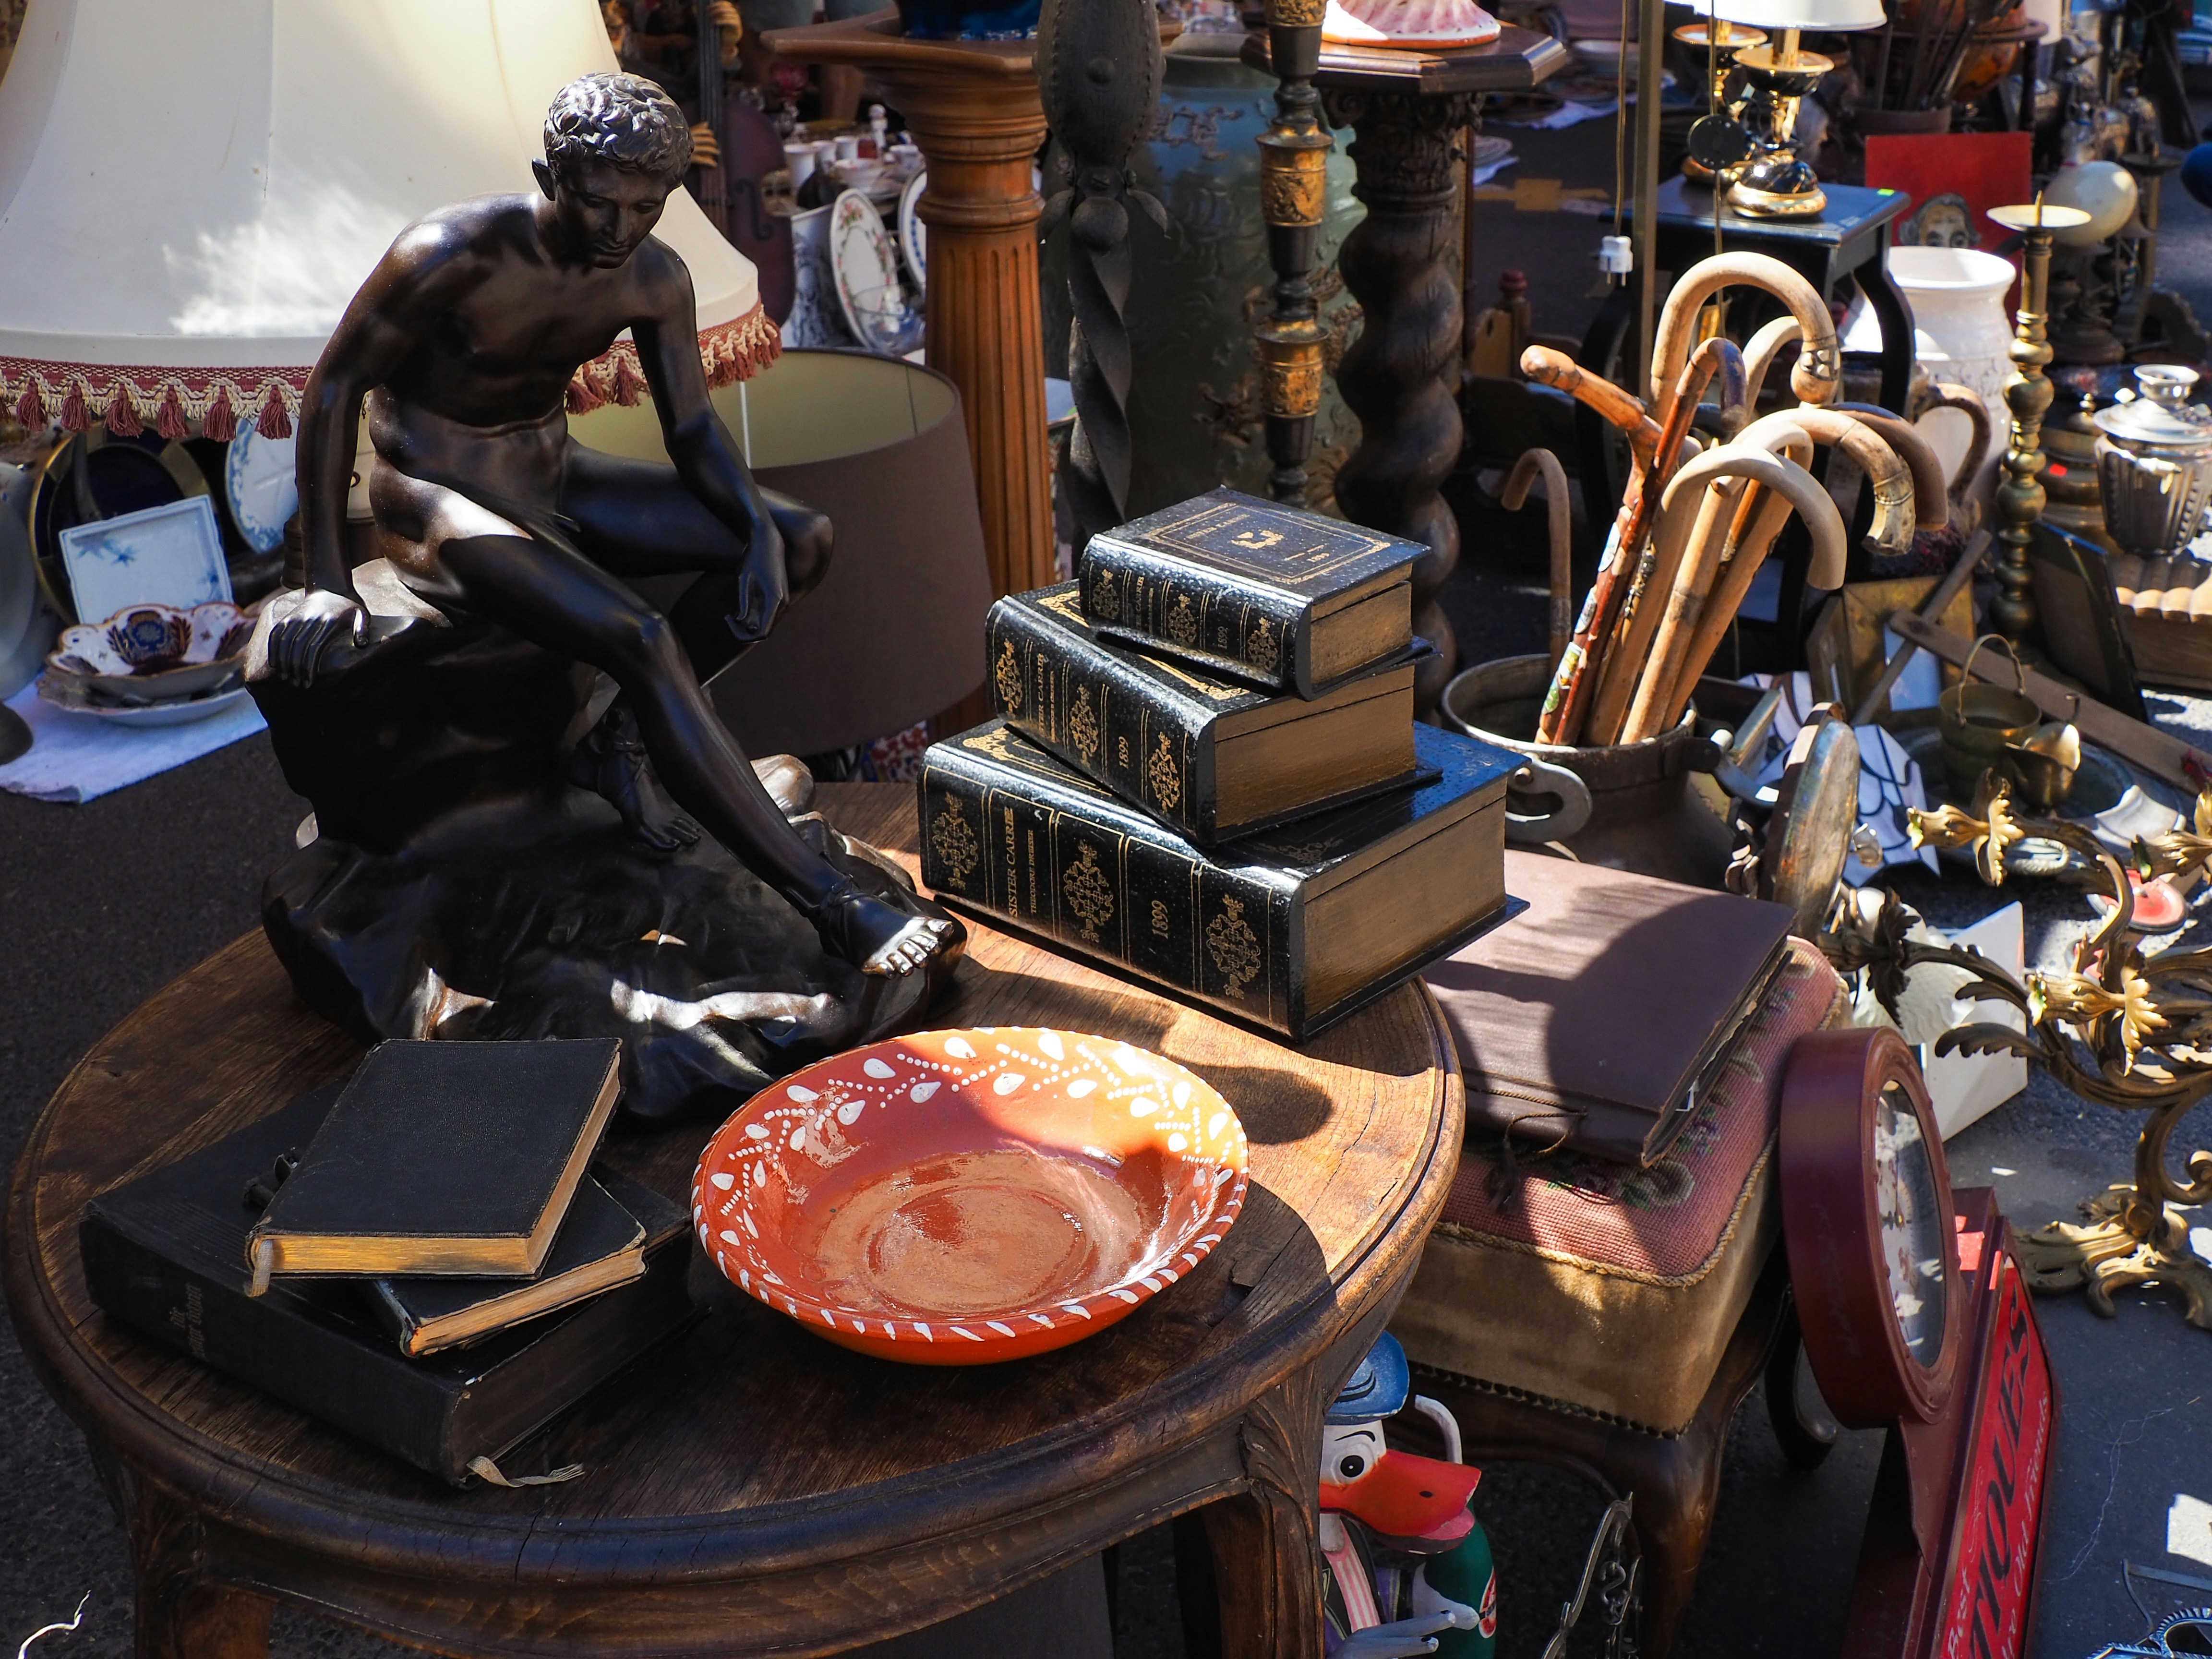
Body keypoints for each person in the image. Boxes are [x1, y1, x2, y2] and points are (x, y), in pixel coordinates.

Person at [268, 70, 955, 980]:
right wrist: (323, 578)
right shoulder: (450, 254)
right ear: (550, 178)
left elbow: (694, 430)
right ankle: (832, 902)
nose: (618, 230)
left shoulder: (651, 275)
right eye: (598, 203)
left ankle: (620, 740)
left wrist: (753, 531)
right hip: (436, 496)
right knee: (640, 633)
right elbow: (334, 390)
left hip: (554, 473)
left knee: (801, 541)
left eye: (645, 206)